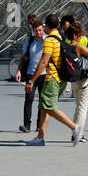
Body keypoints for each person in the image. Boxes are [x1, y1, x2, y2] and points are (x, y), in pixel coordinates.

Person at [26, 14, 79, 145]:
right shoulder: (60, 37)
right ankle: (40, 137)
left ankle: (74, 127)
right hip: (62, 78)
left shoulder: (49, 40)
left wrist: (31, 80)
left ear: (46, 26)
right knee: (44, 108)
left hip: (52, 78)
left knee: (49, 107)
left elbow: (44, 61)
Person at [18, 22, 45, 133]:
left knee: (42, 101)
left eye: (40, 30)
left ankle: (39, 124)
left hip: (44, 74)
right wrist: (19, 70)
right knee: (29, 99)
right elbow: (23, 56)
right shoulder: (29, 41)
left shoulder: (47, 40)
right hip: (31, 74)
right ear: (33, 31)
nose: (38, 33)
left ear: (43, 29)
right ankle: (27, 125)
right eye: (36, 31)